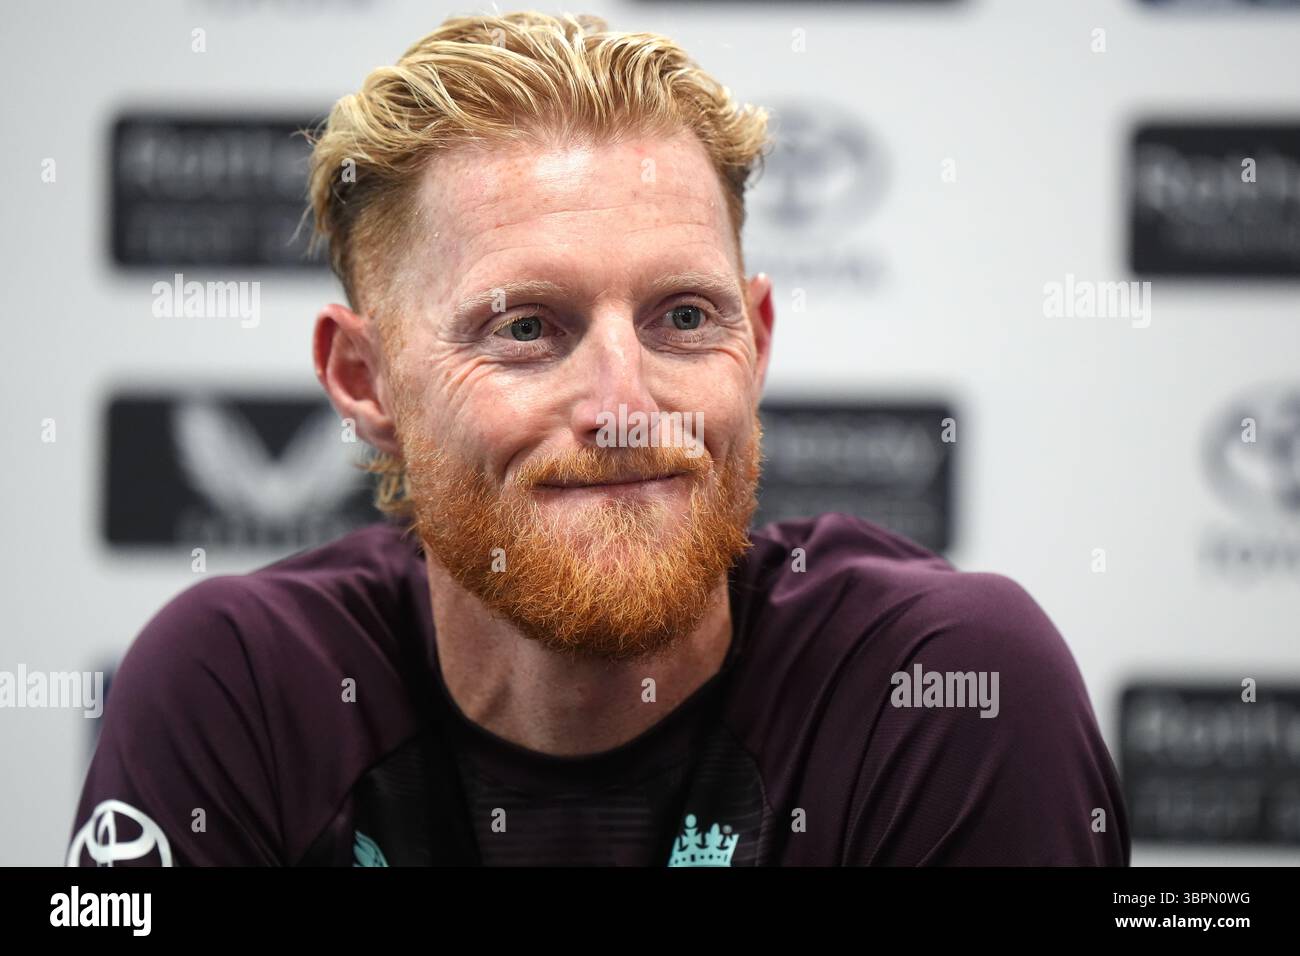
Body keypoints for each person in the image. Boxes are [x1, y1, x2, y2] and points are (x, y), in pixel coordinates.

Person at [67, 10, 1129, 866]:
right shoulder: (239, 693)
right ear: (365, 377)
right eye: (527, 328)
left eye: (682, 318)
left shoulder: (941, 691)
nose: (626, 402)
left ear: (753, 345)